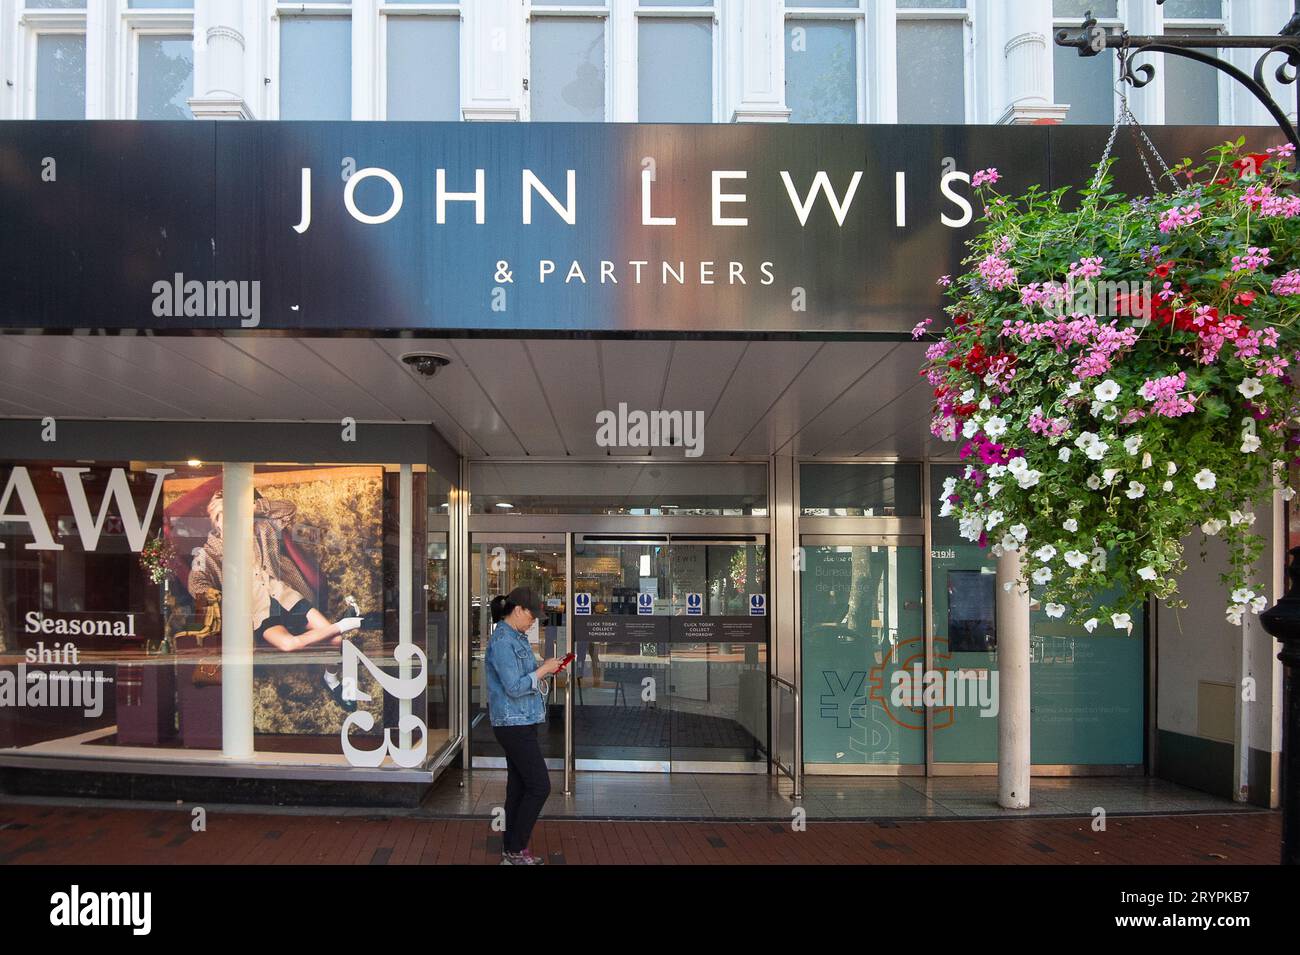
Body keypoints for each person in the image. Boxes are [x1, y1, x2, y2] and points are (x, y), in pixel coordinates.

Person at [485, 586, 561, 865]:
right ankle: (516, 848)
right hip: (512, 722)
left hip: (522, 720)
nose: (534, 622)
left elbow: (523, 680)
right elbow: (514, 687)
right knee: (539, 785)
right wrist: (542, 671)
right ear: (518, 610)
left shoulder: (515, 637)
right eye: (532, 615)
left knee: (519, 786)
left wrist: (542, 673)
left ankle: (512, 851)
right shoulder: (503, 641)